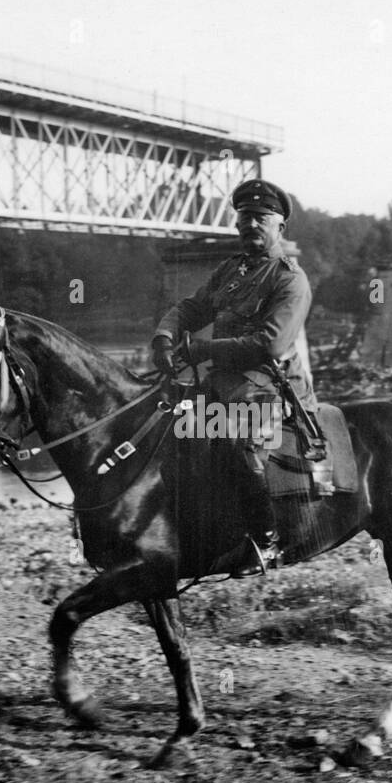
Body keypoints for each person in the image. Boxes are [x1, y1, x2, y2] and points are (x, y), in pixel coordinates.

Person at [150, 178, 316, 577]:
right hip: (224, 383)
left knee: (235, 441)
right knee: (166, 428)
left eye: (261, 218)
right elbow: (190, 308)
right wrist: (164, 336)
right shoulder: (231, 270)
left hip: (269, 387)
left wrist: (202, 350)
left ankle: (266, 540)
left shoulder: (290, 279)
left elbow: (269, 345)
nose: (250, 225)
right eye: (244, 218)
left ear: (280, 226)